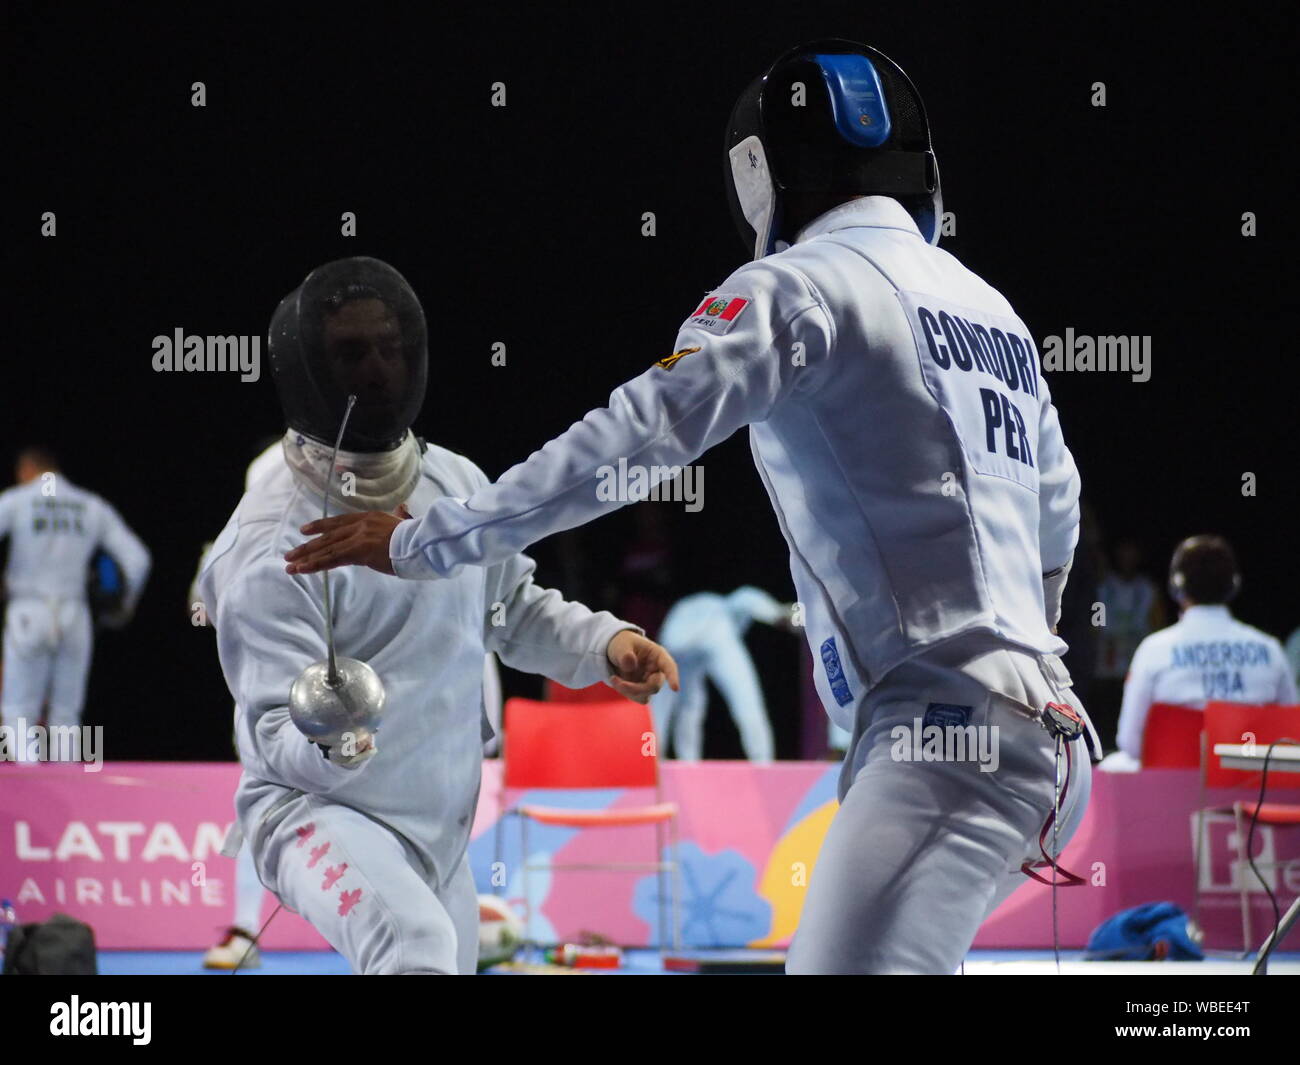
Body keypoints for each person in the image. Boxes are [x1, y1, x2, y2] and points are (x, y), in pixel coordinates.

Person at [284, 41, 1094, 974]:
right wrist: (1022, 673)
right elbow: (1056, 515)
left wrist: (427, 538)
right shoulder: (994, 313)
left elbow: (634, 440)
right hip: (1050, 741)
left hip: (946, 745)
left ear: (760, 177)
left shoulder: (796, 288)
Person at [198, 257, 677, 975]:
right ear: (308, 369)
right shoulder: (273, 544)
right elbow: (272, 733)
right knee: (414, 947)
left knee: (443, 957)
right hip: (313, 810)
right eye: (350, 353)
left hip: (438, 825)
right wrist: (331, 739)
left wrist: (606, 644)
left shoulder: (453, 483)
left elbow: (510, 607)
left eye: (389, 348)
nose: (376, 371)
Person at [0, 447, 150, 763]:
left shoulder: (17, 500)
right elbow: (138, 558)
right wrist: (123, 605)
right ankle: (67, 785)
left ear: (26, 470)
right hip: (74, 615)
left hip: (29, 611)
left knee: (18, 708)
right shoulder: (90, 506)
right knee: (66, 713)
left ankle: (29, 787)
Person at [1115, 535, 1297, 763]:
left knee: (1117, 763)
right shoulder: (1270, 650)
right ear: (1234, 585)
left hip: (1171, 793)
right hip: (1252, 790)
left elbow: (1129, 742)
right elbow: (1290, 739)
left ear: (1175, 587)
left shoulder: (1153, 649)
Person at [653, 586, 791, 762]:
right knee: (744, 698)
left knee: (688, 705)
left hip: (676, 641)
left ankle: (684, 761)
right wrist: (775, 613)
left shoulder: (699, 607)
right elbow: (745, 597)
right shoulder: (722, 609)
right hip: (708, 633)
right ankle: (763, 762)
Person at [1092, 537, 1163, 745]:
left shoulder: (1148, 590)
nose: (1127, 559)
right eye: (1124, 553)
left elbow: (1157, 625)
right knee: (1106, 709)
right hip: (1108, 661)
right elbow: (1096, 622)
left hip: (1135, 659)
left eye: (1132, 553)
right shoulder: (1104, 588)